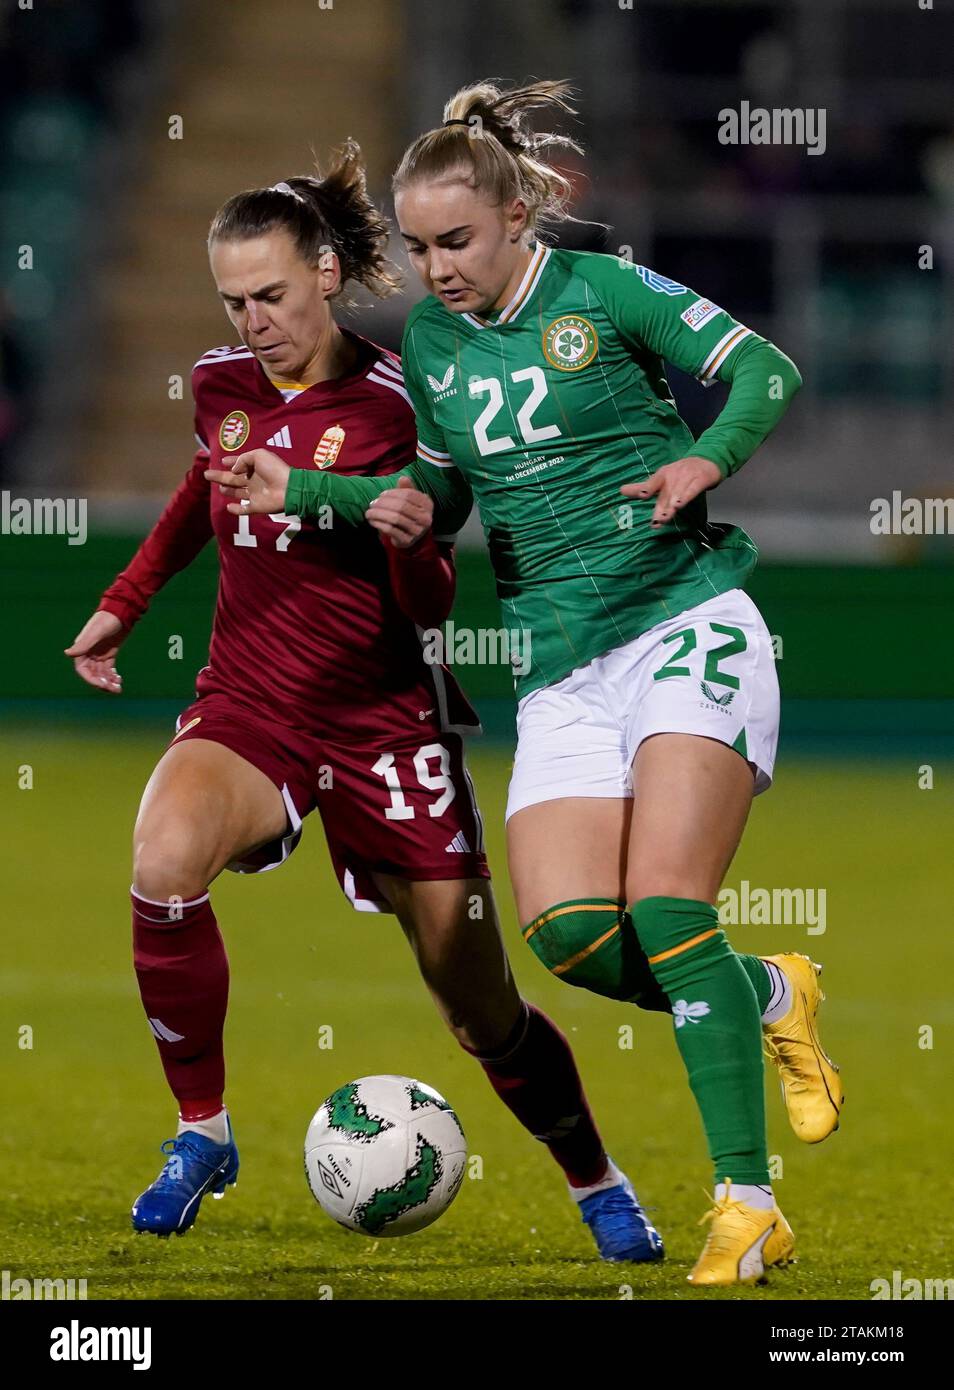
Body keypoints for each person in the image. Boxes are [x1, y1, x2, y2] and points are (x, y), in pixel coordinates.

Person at [209, 84, 844, 1287]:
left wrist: (701, 458)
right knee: (570, 937)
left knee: (665, 908)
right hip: (559, 666)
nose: (436, 269)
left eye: (458, 241)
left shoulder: (602, 293)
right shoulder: (437, 349)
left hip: (679, 621)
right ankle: (769, 988)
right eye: (418, 247)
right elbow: (445, 491)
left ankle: (747, 1203)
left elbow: (763, 368)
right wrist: (341, 500)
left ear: (516, 217)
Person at [65, 144, 666, 1260]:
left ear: (329, 274)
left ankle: (595, 1178)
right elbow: (203, 490)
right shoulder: (220, 387)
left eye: (273, 296)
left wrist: (402, 545)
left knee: (479, 1002)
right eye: (234, 301)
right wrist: (124, 603)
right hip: (253, 708)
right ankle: (203, 1131)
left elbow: (432, 595)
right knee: (160, 861)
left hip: (388, 723)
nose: (253, 321)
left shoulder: (407, 398)